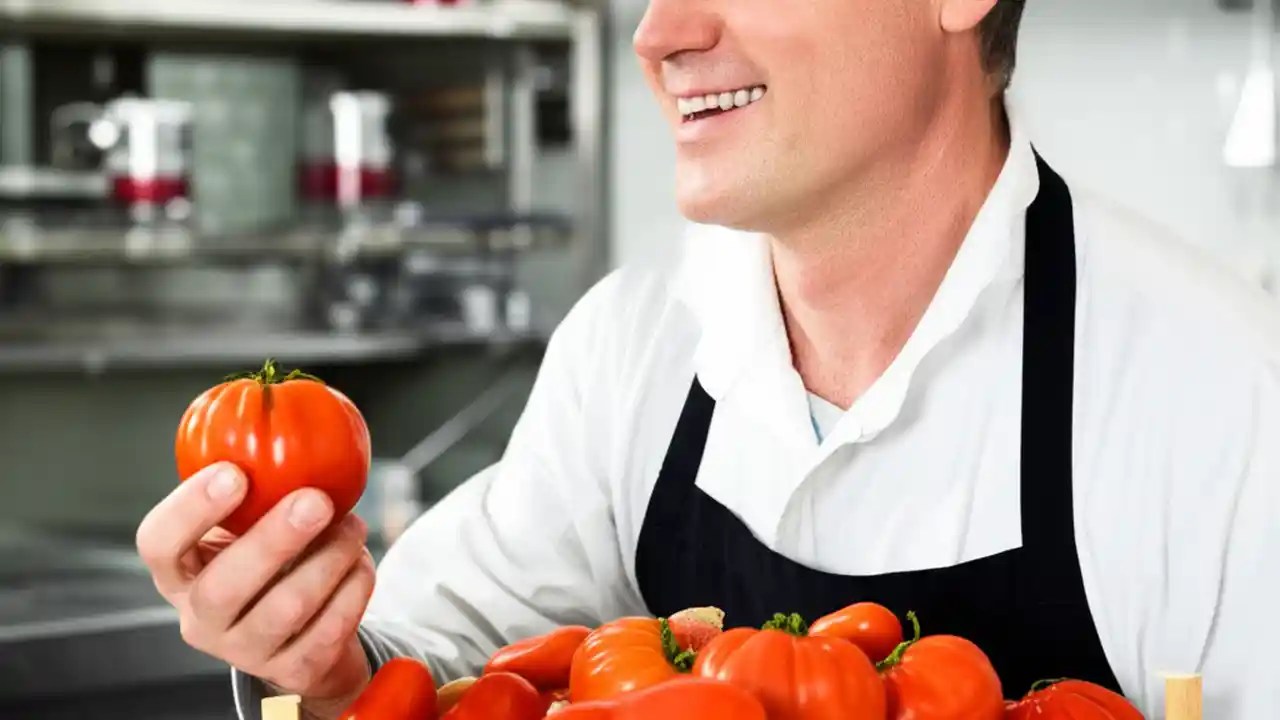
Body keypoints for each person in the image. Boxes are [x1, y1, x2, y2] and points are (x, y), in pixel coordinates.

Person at [135, 0, 1280, 718]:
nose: (656, 33)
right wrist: (313, 659)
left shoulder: (1221, 394)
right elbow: (424, 664)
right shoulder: (631, 346)